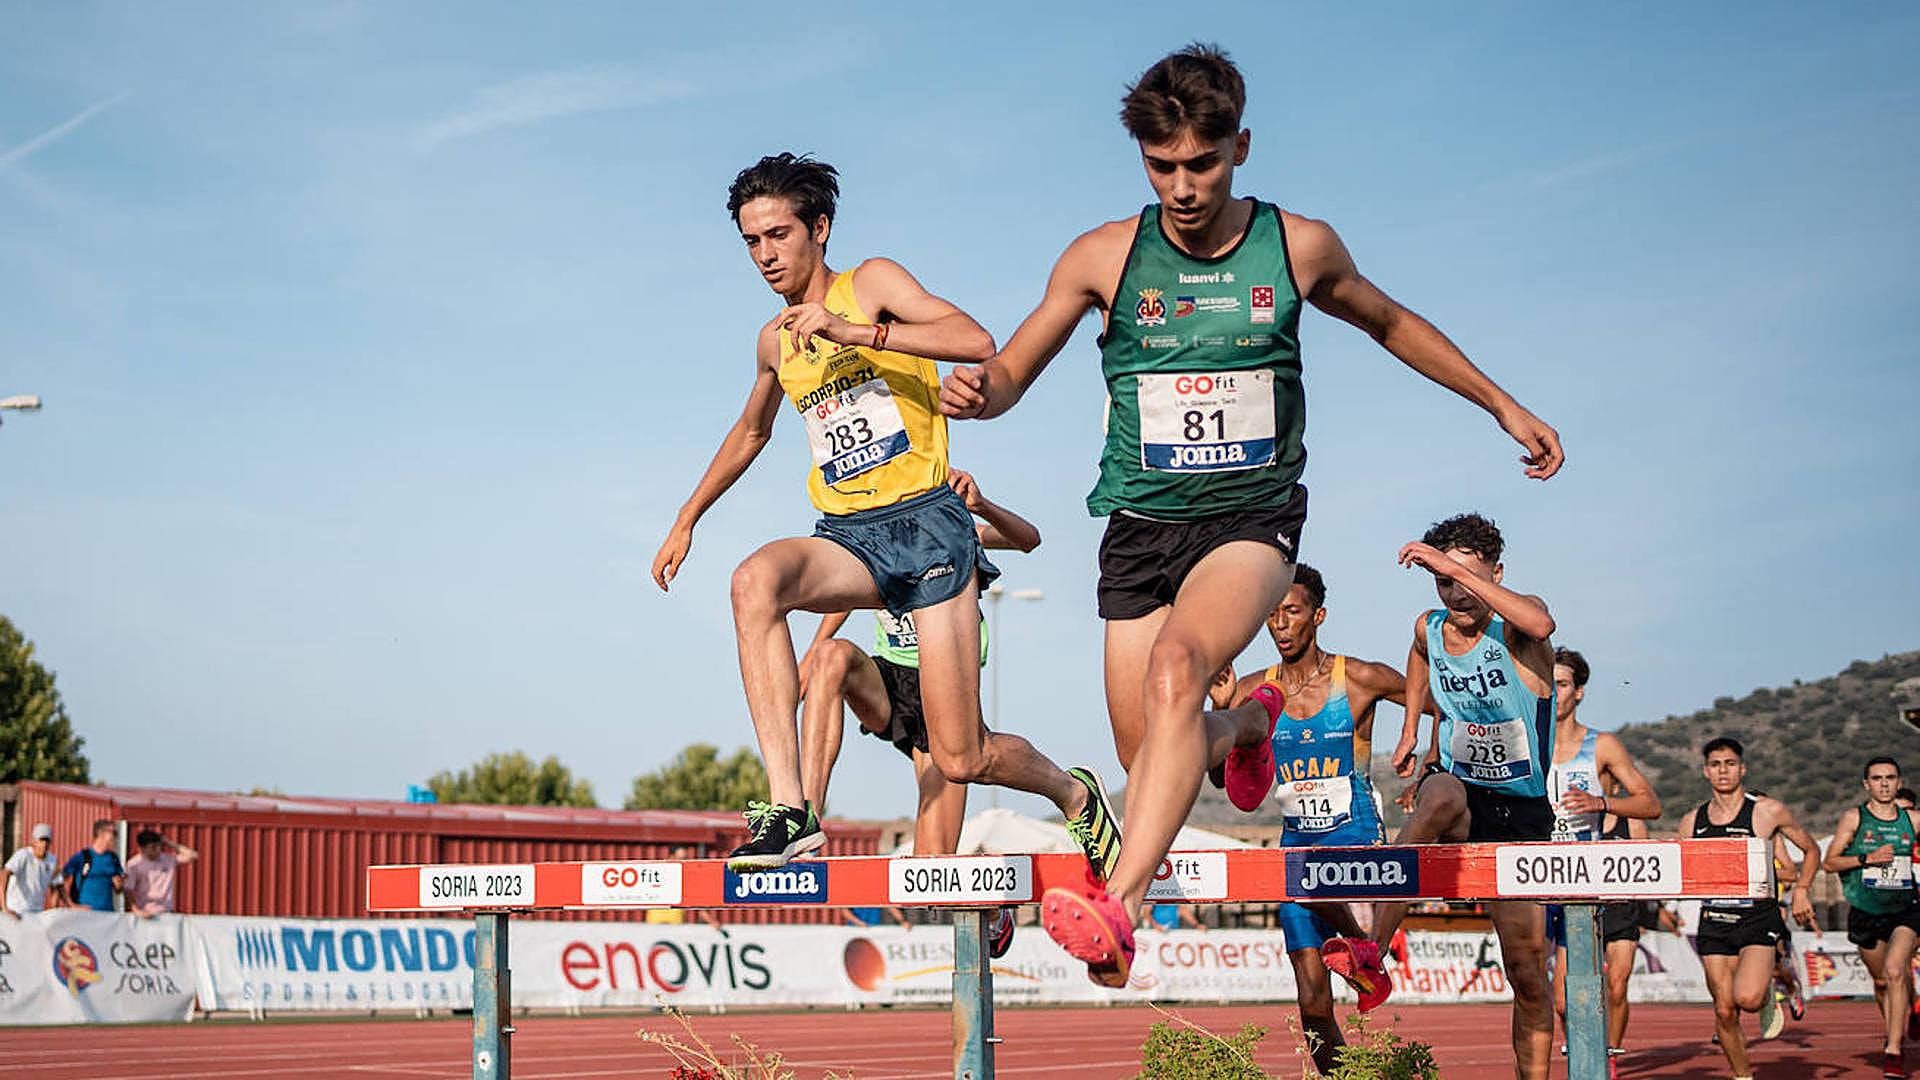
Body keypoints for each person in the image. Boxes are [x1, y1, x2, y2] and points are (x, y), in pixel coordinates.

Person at [937, 43, 1562, 988]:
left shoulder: (1296, 246)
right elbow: (1014, 369)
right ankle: (1249, 727)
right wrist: (981, 392)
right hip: (1140, 527)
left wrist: (1502, 404)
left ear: (1241, 147)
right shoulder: (1102, 257)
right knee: (1159, 753)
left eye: (1202, 163)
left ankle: (1121, 907)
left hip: (1251, 520)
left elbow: (1392, 323)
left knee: (1179, 669)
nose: (1183, 188)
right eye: (1162, 167)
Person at [652, 154, 1118, 875]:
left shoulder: (869, 284)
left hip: (929, 526)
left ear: (819, 228)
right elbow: (751, 431)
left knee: (962, 756)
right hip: (850, 537)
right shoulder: (774, 342)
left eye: (779, 235)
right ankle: (791, 809)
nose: (765, 255)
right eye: (752, 241)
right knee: (754, 582)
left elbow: (975, 340)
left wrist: (853, 333)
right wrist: (687, 518)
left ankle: (1073, 793)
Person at [1329, 513, 1559, 1080]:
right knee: (1436, 797)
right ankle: (1372, 953)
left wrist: (1449, 565)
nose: (1454, 593)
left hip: (1520, 811)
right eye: (1442, 582)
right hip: (1462, 791)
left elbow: (1542, 621)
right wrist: (1411, 725)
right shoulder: (1430, 628)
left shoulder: (1518, 628)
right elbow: (1419, 654)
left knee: (1527, 974)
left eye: (1464, 578)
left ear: (1495, 574)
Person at [797, 467, 1038, 957]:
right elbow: (843, 597)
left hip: (944, 691)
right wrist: (810, 654)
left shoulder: (957, 534)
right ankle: (806, 817)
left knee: (931, 872)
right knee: (832, 659)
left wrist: (982, 505)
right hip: (890, 680)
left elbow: (1028, 539)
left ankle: (994, 908)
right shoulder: (875, 539)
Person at [1225, 563, 1418, 1071]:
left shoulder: (1358, 678)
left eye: (1292, 611)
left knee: (1310, 880)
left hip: (1355, 840)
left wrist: (1425, 751)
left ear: (1318, 615)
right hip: (1296, 849)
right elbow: (1224, 782)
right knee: (1312, 1005)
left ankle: (1362, 946)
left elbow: (1436, 702)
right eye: (1272, 614)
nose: (1280, 624)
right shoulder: (1251, 691)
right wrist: (1222, 710)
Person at [1539, 648, 1663, 1072]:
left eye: (1562, 684)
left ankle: (1599, 1061)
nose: (1554, 692)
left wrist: (1601, 802)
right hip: (1538, 881)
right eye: (1548, 683)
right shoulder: (1527, 744)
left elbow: (1650, 804)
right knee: (1559, 1002)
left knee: (1600, 988)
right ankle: (1586, 1056)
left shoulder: (1601, 745)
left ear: (1579, 692)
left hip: (1586, 883)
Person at [1678, 737, 1820, 1080]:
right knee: (1724, 1011)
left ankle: (1767, 988)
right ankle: (1743, 1076)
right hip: (1715, 919)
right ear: (1706, 771)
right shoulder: (1692, 821)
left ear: (1742, 769)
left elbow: (1812, 850)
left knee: (1748, 999)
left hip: (1757, 918)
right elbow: (1681, 870)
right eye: (1716, 765)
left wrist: (1802, 890)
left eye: (1730, 764)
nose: (1723, 771)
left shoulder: (1768, 812)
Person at [1822, 756, 1920, 1079]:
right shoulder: (1854, 818)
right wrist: (1867, 858)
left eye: (1890, 778)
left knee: (1895, 970)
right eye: (1877, 778)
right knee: (1882, 981)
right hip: (1866, 911)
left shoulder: (1913, 820)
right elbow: (1830, 863)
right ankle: (1899, 1023)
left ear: (1899, 782)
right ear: (1867, 784)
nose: (1884, 784)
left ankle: (1893, 1050)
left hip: (1906, 909)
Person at [122, 830, 197, 917]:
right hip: (145, 912)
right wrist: (136, 910)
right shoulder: (134, 864)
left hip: (166, 911)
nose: (157, 850)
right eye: (153, 847)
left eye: (159, 846)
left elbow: (193, 855)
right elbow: (128, 889)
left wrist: (169, 843)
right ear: (142, 848)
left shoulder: (167, 859)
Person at [61, 819, 124, 913]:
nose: (115, 836)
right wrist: (71, 905)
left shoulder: (113, 858)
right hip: (85, 913)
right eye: (113, 833)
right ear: (100, 833)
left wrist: (119, 885)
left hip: (107, 913)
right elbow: (58, 881)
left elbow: (118, 889)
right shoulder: (82, 857)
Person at [1, 823, 62, 918]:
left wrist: (54, 911)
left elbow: (56, 887)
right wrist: (5, 907)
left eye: (47, 841)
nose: (44, 844)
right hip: (17, 911)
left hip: (37, 913)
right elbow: (4, 874)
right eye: (41, 840)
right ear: (33, 841)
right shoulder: (23, 855)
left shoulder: (52, 860)